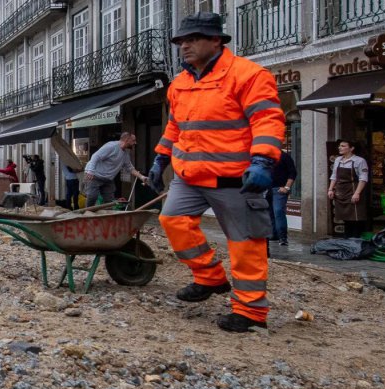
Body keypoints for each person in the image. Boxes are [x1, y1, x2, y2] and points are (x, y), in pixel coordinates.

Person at [147, 12, 285, 333]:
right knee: (172, 221)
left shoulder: (248, 75)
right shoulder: (180, 83)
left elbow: (267, 121)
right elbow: (176, 126)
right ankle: (210, 277)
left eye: (193, 39)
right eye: (182, 40)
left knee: (245, 242)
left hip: (235, 177)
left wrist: (263, 161)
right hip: (189, 176)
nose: (185, 46)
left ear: (216, 41)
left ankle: (250, 310)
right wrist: (160, 159)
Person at [85, 132, 147, 206]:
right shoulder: (111, 146)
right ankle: (86, 215)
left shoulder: (125, 154)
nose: (135, 143)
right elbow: (95, 156)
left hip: (108, 179)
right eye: (133, 140)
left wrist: (142, 177)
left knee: (109, 201)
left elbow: (130, 168)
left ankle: (108, 216)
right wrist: (91, 171)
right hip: (95, 175)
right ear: (127, 139)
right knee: (92, 197)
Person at [326, 139, 369, 238]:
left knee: (355, 217)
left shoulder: (359, 161)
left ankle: (355, 238)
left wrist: (357, 193)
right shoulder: (338, 160)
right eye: (339, 146)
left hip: (353, 190)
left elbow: (363, 178)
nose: (340, 148)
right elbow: (334, 176)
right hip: (341, 192)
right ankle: (346, 238)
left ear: (352, 148)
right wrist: (331, 189)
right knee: (344, 217)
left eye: (343, 146)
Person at [268, 149, 296, 245]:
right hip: (266, 188)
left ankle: (282, 237)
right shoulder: (264, 157)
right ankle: (273, 234)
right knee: (269, 212)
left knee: (278, 211)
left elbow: (292, 172)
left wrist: (287, 187)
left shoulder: (284, 156)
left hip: (279, 189)